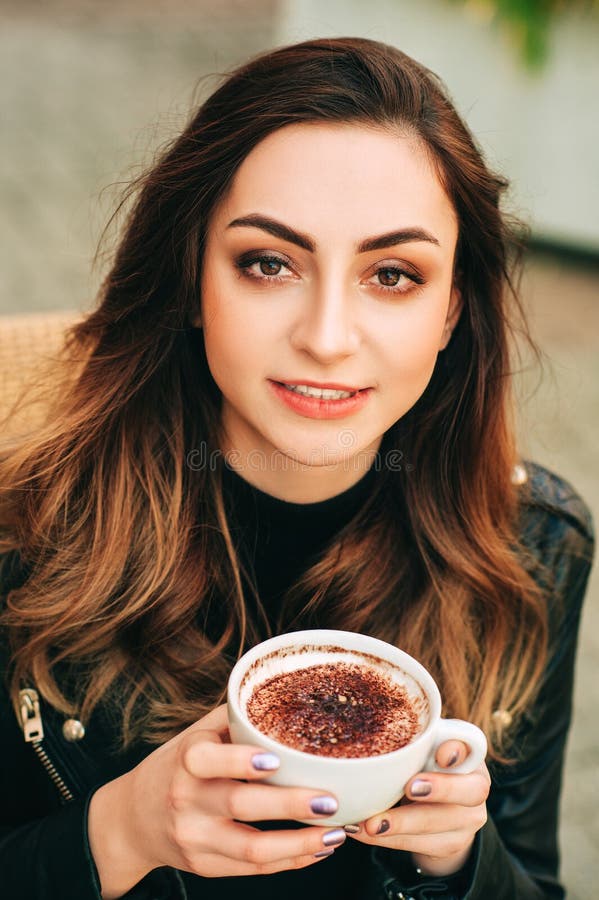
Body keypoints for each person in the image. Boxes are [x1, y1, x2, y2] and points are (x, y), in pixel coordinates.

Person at [0, 36, 593, 900]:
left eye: (392, 274)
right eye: (269, 263)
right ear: (191, 281)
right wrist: (118, 833)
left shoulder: (530, 545)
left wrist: (460, 861)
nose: (325, 337)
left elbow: (535, 879)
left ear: (450, 311)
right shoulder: (23, 539)